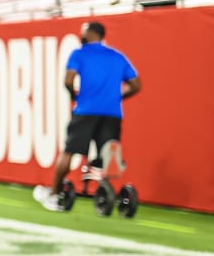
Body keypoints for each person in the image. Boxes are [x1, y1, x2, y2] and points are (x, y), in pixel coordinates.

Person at [33, 21, 140, 212]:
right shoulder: (117, 57)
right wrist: (117, 97)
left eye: (83, 32)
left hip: (86, 110)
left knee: (69, 151)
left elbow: (68, 79)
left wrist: (73, 94)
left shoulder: (79, 54)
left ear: (91, 33)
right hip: (112, 113)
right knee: (109, 154)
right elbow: (136, 84)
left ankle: (54, 194)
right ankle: (110, 192)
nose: (81, 35)